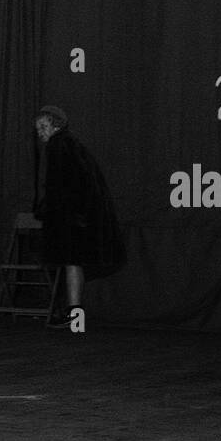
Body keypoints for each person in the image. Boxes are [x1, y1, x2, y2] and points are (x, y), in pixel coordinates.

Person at [33, 106, 125, 325]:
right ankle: (75, 317)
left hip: (72, 217)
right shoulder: (71, 144)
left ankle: (74, 315)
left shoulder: (59, 146)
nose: (40, 132)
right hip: (79, 215)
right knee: (73, 262)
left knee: (71, 261)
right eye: (38, 129)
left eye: (43, 127)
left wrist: (53, 210)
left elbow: (61, 185)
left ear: (55, 125)